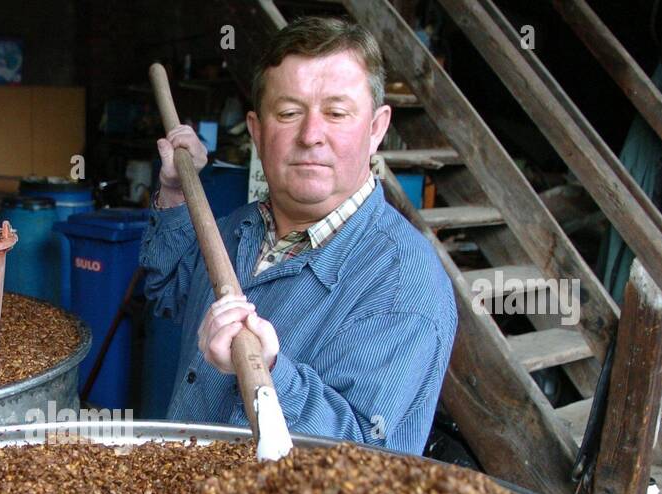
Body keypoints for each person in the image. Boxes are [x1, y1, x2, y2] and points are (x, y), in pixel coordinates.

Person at [140, 16, 457, 454]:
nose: (311, 136)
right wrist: (175, 190)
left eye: (336, 113)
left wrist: (270, 370)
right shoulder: (236, 228)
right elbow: (166, 291)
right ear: (256, 129)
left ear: (376, 128)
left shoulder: (403, 286)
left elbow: (358, 459)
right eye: (289, 113)